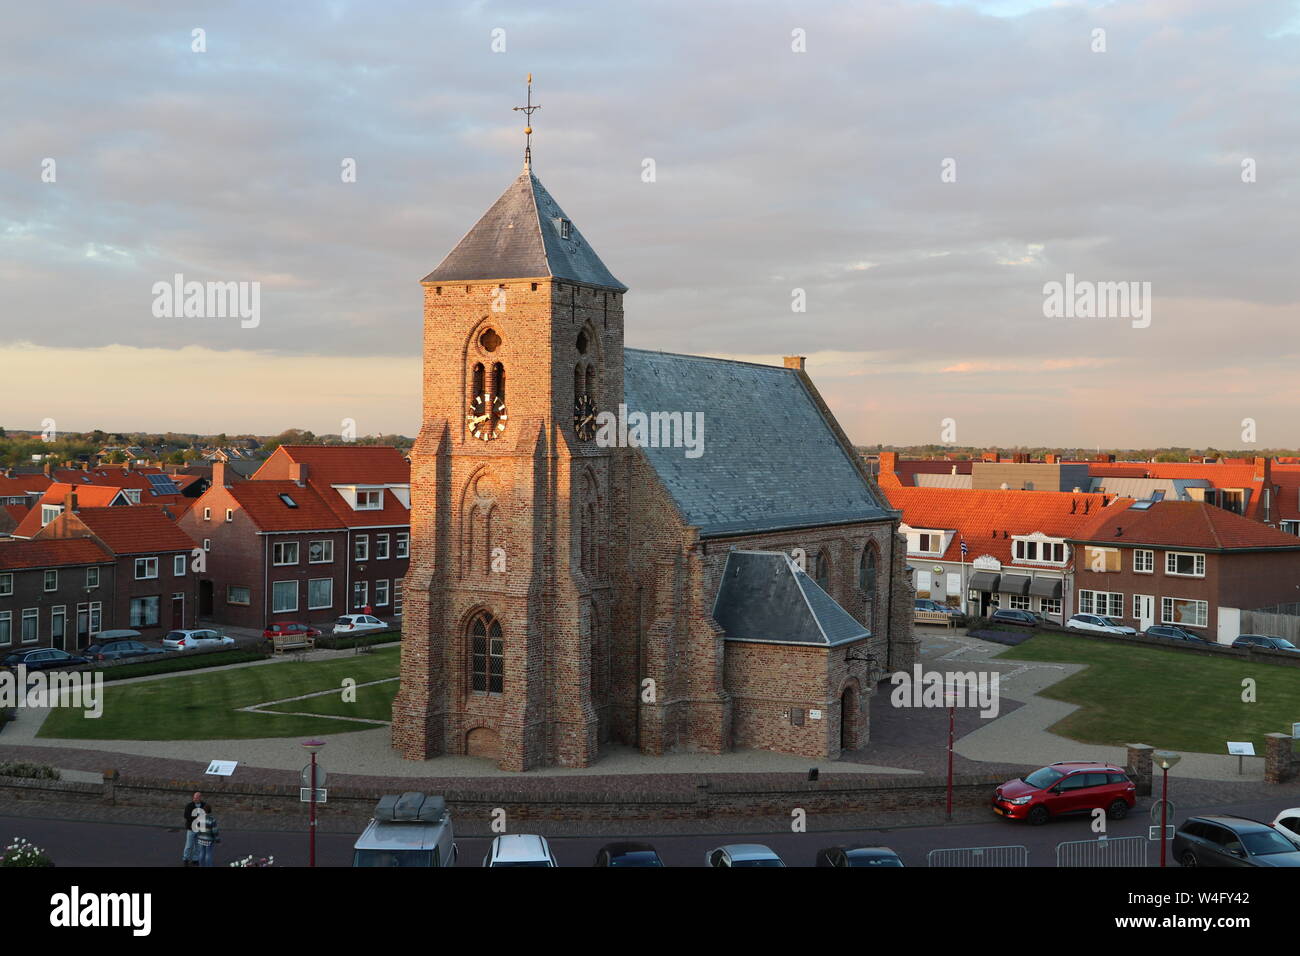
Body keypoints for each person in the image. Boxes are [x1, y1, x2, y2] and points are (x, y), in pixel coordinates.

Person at [182, 792, 208, 867]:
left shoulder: (204, 805)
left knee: (198, 845)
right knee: (189, 845)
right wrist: (196, 818)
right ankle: (185, 859)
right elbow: (186, 816)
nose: (195, 799)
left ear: (200, 798)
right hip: (191, 828)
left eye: (197, 797)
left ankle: (195, 859)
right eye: (194, 797)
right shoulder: (189, 806)